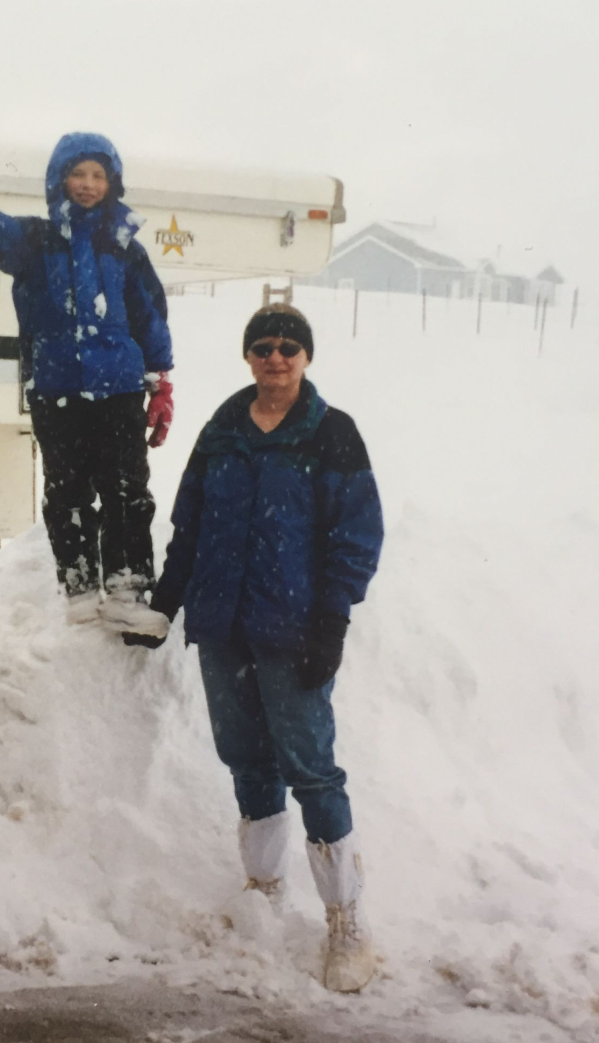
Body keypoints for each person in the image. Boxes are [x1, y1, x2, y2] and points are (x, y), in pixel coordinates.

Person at [130, 303, 384, 993]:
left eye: (288, 347)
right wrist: (164, 603)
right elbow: (190, 527)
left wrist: (331, 624)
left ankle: (347, 920)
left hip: (292, 632)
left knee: (311, 768)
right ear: (248, 356)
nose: (275, 358)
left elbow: (357, 537)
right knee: (246, 759)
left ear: (306, 357)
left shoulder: (332, 434)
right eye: (263, 347)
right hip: (223, 627)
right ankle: (263, 886)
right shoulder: (221, 429)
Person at [0, 131, 174, 636]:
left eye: (98, 175)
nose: (87, 184)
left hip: (120, 389)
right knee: (67, 491)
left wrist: (162, 383)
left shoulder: (125, 247)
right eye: (78, 173)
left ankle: (128, 590)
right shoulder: (35, 241)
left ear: (112, 183)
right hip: (56, 389)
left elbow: (150, 315)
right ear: (59, 179)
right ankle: (81, 588)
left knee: (127, 490)